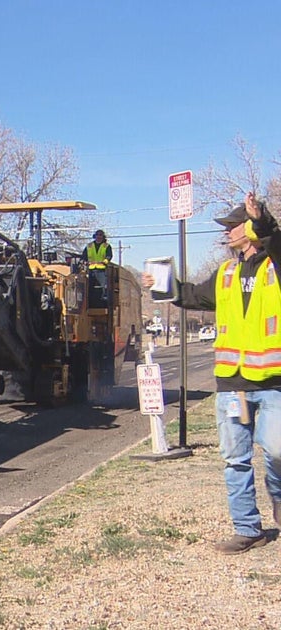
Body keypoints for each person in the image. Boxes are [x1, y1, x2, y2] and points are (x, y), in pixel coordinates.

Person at [142, 192, 281, 554]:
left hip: (273, 383)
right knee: (235, 459)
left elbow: (276, 241)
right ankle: (248, 529)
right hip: (232, 385)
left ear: (251, 228)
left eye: (234, 226)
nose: (228, 233)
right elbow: (189, 295)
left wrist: (262, 218)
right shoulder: (226, 273)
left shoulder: (275, 266)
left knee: (277, 450)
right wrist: (160, 283)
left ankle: (278, 495)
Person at [86, 229, 113, 304]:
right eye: (97, 235)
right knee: (88, 286)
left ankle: (103, 299)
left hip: (101, 269)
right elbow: (84, 256)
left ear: (103, 237)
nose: (99, 236)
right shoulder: (89, 246)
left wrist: (105, 262)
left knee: (104, 285)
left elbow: (109, 256)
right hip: (90, 269)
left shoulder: (106, 246)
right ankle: (89, 300)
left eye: (100, 235)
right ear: (95, 236)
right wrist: (85, 262)